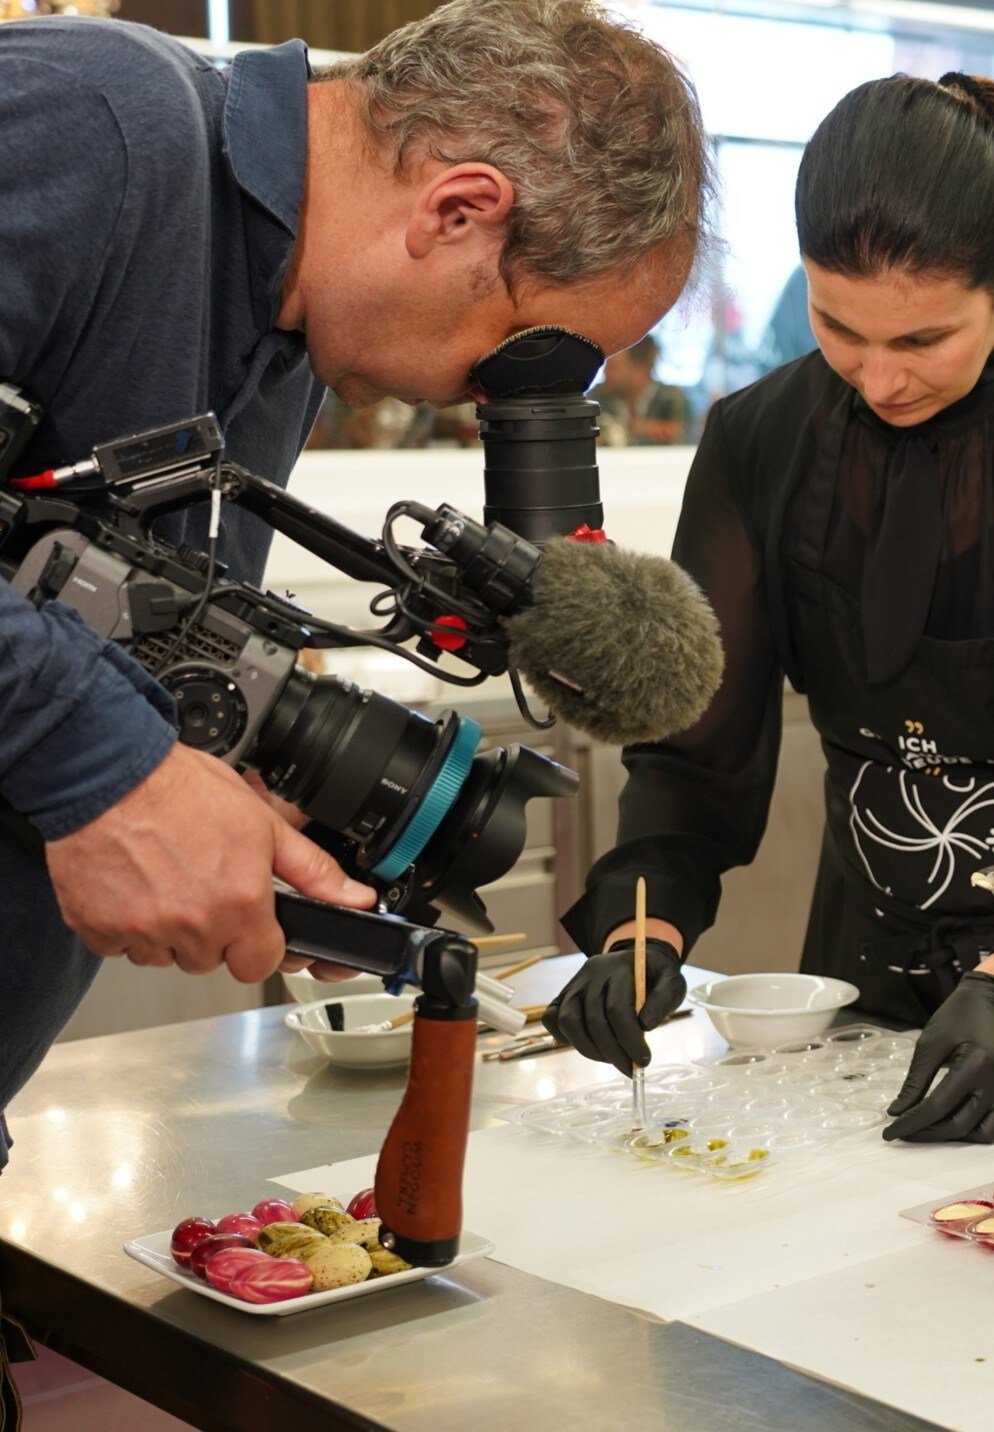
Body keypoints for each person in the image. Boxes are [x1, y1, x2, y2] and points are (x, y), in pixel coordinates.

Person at [0, 0, 707, 1161]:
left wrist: (245, 795)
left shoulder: (293, 339)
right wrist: (101, 765)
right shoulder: (98, 123)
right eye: (528, 355)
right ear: (458, 209)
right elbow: (83, 740)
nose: (491, 401)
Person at [544, 73, 994, 1143]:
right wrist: (644, 933)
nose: (877, 379)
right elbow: (695, 759)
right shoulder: (757, 442)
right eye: (838, 327)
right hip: (863, 991)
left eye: (921, 341)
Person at [595, 334, 694, 445]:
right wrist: (642, 429)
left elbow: (684, 441)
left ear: (641, 371)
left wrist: (619, 429)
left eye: (613, 368)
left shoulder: (673, 398)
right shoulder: (595, 398)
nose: (605, 373)